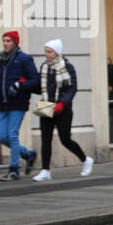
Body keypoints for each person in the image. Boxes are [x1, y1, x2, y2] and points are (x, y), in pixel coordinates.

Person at [32, 39, 94, 181]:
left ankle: (86, 160)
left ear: (57, 52)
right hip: (47, 107)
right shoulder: (44, 67)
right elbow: (40, 87)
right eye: (45, 51)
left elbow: (72, 88)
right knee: (45, 139)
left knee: (65, 139)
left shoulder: (67, 67)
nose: (46, 54)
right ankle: (45, 170)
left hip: (63, 110)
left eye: (49, 51)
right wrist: (25, 85)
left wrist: (62, 103)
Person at [0, 30, 39, 181]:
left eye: (8, 41)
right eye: (4, 40)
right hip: (4, 104)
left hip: (18, 103)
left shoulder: (24, 59)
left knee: (12, 134)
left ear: (15, 42)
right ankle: (28, 155)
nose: (5, 43)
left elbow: (35, 80)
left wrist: (18, 85)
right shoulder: (2, 60)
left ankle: (14, 169)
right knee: (2, 137)